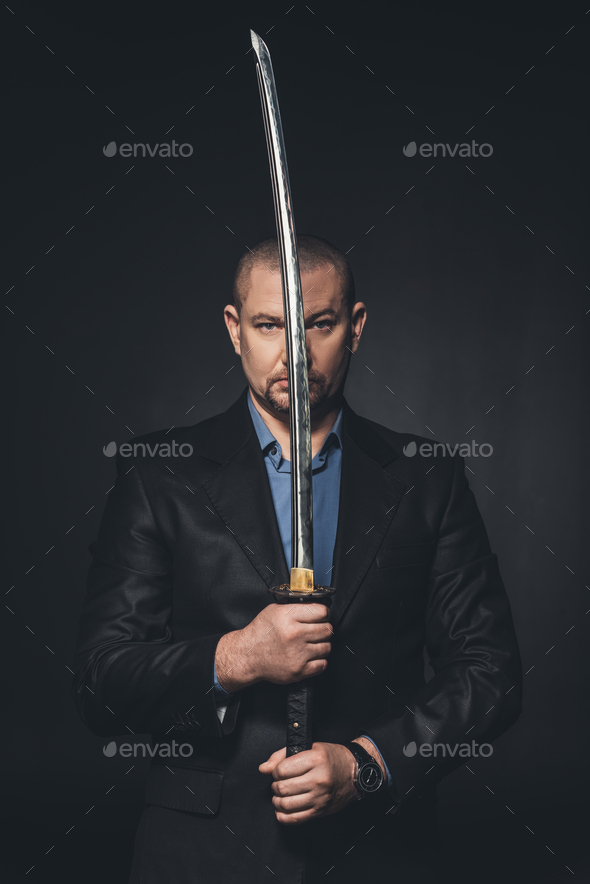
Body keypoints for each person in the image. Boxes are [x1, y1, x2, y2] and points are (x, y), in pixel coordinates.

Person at [72, 234, 522, 884]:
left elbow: (492, 672)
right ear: (234, 330)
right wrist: (238, 657)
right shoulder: (158, 476)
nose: (295, 353)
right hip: (202, 857)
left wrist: (370, 764)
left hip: (379, 854)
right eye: (268, 325)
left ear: (356, 327)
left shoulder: (427, 479)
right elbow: (100, 685)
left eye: (319, 324)